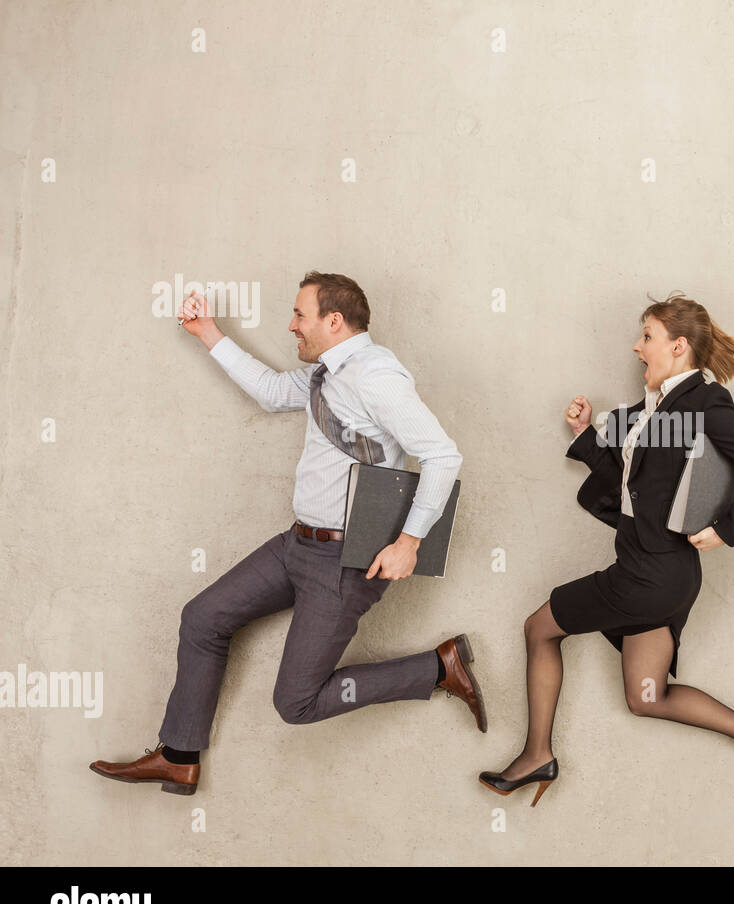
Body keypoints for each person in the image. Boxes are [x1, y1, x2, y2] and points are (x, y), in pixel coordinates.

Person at [89, 271, 484, 795]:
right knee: (204, 618)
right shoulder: (326, 374)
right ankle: (179, 757)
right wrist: (208, 332)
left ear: (334, 320)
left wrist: (409, 540)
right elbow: (274, 392)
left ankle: (436, 669)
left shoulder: (375, 374)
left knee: (295, 703)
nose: (292, 325)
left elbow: (442, 455)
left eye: (300, 315)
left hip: (346, 563)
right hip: (297, 544)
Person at [479, 292, 734, 806]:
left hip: (650, 575)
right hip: (663, 574)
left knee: (538, 629)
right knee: (646, 696)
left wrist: (726, 529)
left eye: (646, 337)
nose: (636, 347)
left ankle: (538, 754)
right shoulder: (652, 408)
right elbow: (628, 487)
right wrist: (587, 436)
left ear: (677, 347)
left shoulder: (704, 403)